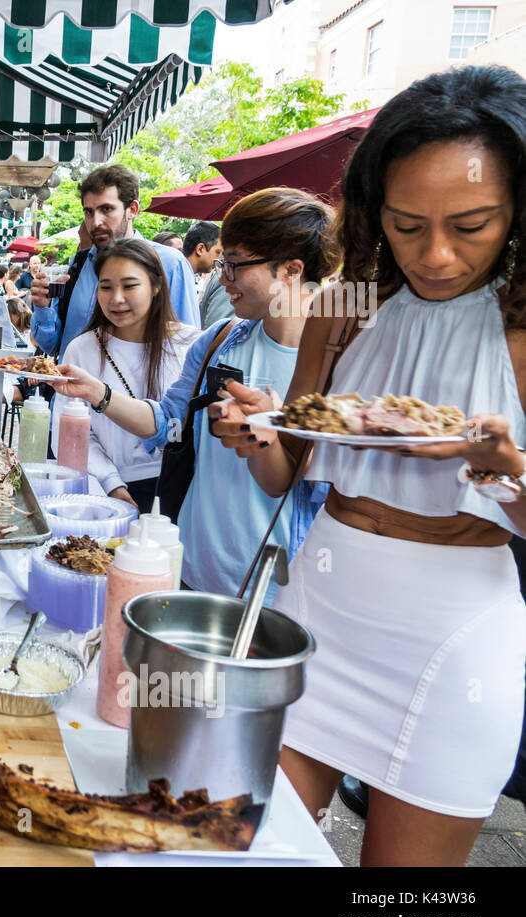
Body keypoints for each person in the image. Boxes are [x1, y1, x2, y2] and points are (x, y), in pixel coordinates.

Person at [208, 66, 526, 865]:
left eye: (473, 224)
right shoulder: (346, 310)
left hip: (454, 633)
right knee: (234, 845)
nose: (438, 254)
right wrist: (257, 432)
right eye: (408, 224)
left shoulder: (520, 331)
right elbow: (289, 470)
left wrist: (504, 469)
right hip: (320, 602)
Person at [54, 188, 338, 602]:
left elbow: (342, 480)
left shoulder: (344, 365)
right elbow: (168, 422)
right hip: (190, 568)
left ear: (291, 271)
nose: (222, 279)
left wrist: (279, 428)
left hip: (279, 591)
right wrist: (98, 392)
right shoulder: (219, 341)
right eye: (223, 263)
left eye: (236, 265)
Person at [52, 239, 203, 512]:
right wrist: (111, 482)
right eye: (106, 287)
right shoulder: (82, 350)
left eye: (130, 286)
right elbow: (69, 431)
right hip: (108, 493)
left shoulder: (191, 346)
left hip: (184, 491)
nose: (116, 298)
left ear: (156, 286)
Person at [31, 165, 201, 362]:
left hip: (131, 392)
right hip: (70, 391)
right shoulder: (80, 263)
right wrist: (42, 307)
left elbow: (187, 352)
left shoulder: (170, 263)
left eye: (106, 209)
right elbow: (53, 347)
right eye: (89, 212)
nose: (95, 222)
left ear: (132, 210)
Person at [184, 221, 233, 329]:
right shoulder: (179, 278)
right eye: (218, 252)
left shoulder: (185, 277)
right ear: (200, 249)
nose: (220, 259)